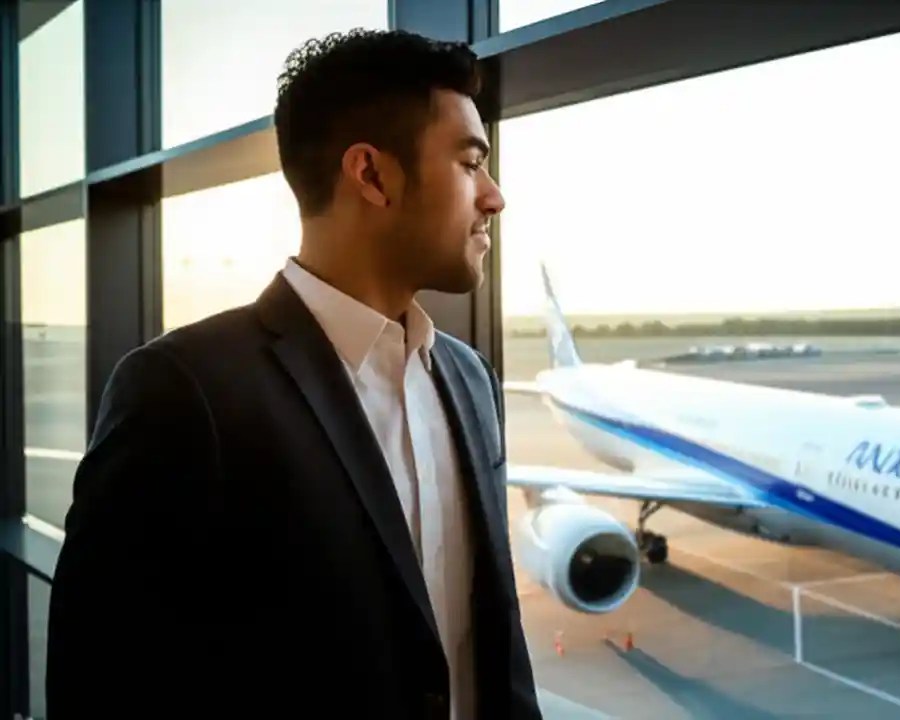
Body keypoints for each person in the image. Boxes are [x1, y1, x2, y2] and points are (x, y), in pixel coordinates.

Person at [46, 29, 542, 720]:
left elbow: (492, 647)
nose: (494, 197)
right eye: (470, 163)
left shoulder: (468, 379)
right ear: (371, 174)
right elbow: (101, 683)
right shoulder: (183, 391)